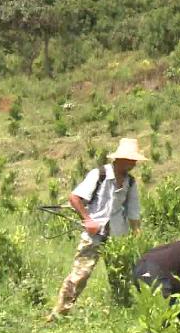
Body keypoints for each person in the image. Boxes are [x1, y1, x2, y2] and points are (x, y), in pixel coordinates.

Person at [46, 138, 145, 322]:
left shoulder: (130, 182)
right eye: (131, 160)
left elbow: (133, 210)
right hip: (94, 235)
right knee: (79, 275)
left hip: (117, 235)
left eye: (135, 160)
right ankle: (58, 314)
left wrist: (136, 233)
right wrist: (88, 220)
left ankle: (121, 312)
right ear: (121, 159)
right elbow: (74, 198)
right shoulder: (99, 174)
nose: (134, 164)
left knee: (120, 276)